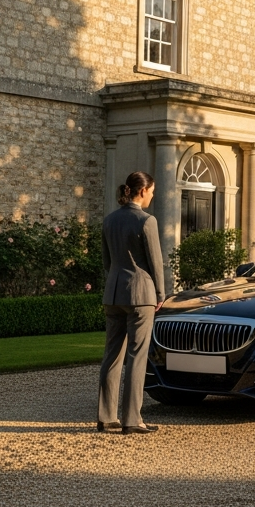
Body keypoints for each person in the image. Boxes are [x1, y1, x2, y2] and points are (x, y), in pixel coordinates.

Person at [98, 171, 167, 435]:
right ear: (142, 191)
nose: (152, 195)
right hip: (140, 295)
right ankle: (132, 419)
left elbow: (107, 263)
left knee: (112, 357)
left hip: (113, 294)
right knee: (137, 358)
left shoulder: (109, 220)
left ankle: (106, 417)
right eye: (151, 191)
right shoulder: (146, 221)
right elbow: (155, 263)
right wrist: (160, 294)